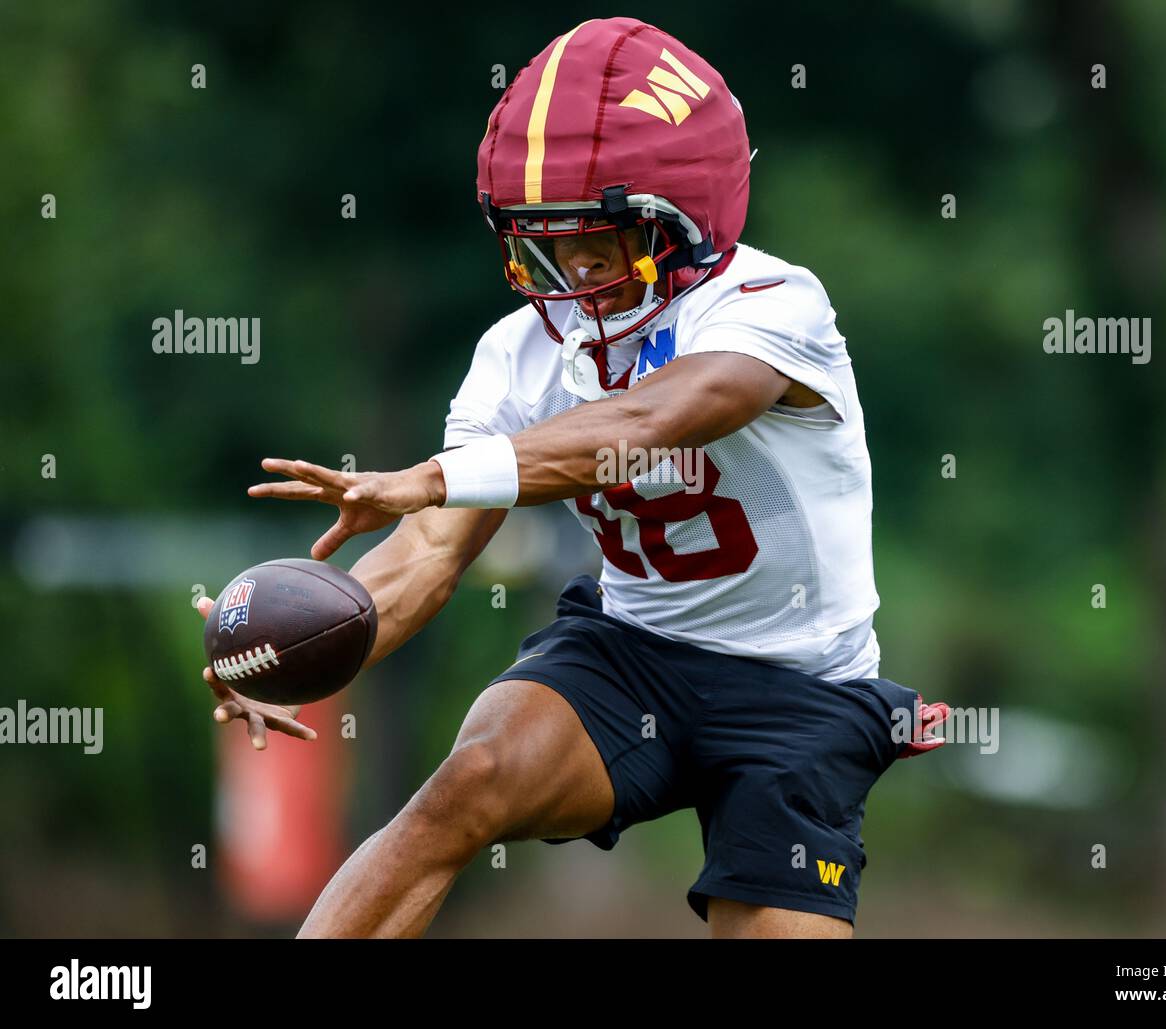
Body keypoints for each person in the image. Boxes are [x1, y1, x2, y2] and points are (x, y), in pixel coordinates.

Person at [196, 16, 949, 939]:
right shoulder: (519, 353)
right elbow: (428, 552)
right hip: (631, 654)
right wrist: (300, 656)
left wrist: (436, 475)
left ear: (684, 224)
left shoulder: (772, 305)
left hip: (800, 691)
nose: (574, 273)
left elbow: (645, 420)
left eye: (602, 243)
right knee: (466, 781)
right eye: (544, 244)